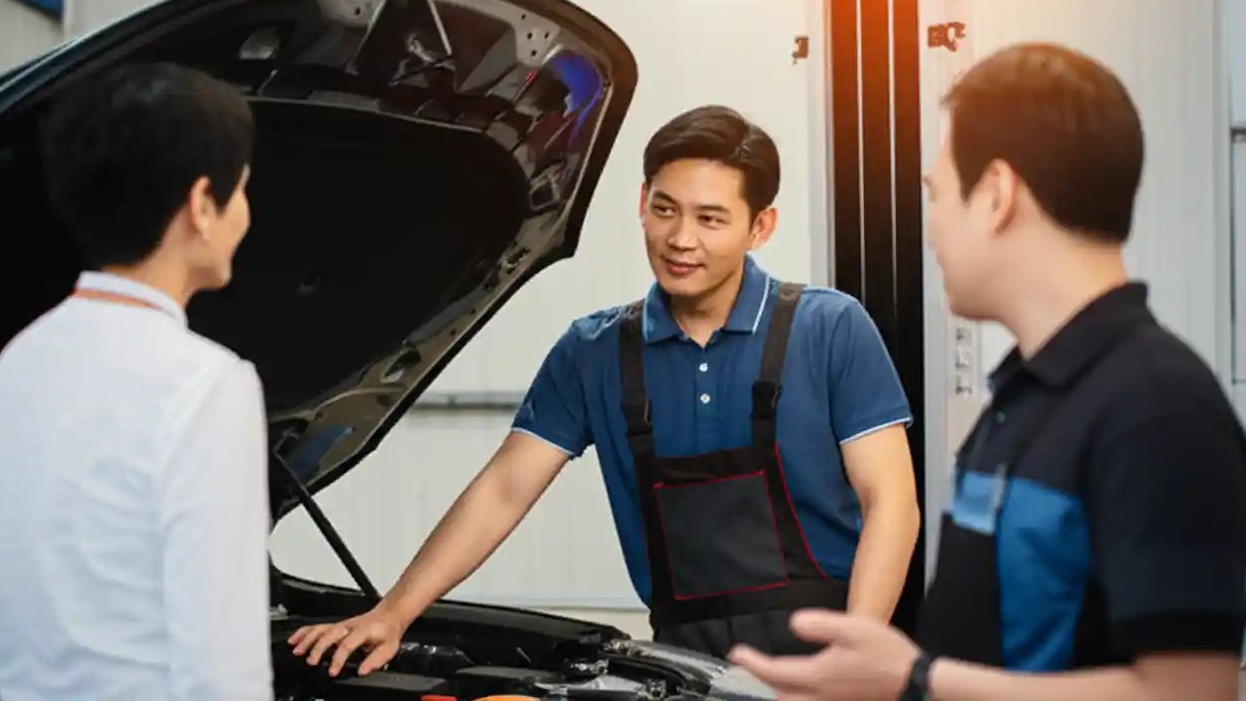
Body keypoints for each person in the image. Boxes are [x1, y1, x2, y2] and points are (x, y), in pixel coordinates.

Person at [288, 105, 921, 675]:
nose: (680, 239)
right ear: (642, 199)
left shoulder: (828, 328)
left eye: (711, 219)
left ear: (761, 227)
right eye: (665, 208)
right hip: (685, 671)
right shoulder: (594, 351)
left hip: (830, 656)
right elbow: (504, 490)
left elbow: (890, 502)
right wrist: (393, 613)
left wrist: (856, 657)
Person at [729, 42, 1246, 700]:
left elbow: (1191, 693)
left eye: (937, 195)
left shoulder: (1160, 409)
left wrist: (914, 678)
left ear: (997, 194)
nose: (932, 227)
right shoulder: (1023, 402)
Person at [0, 63, 271, 699]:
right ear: (201, 205)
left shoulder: (15, 366)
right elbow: (223, 665)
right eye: (241, 189)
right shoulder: (206, 384)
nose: (245, 211)